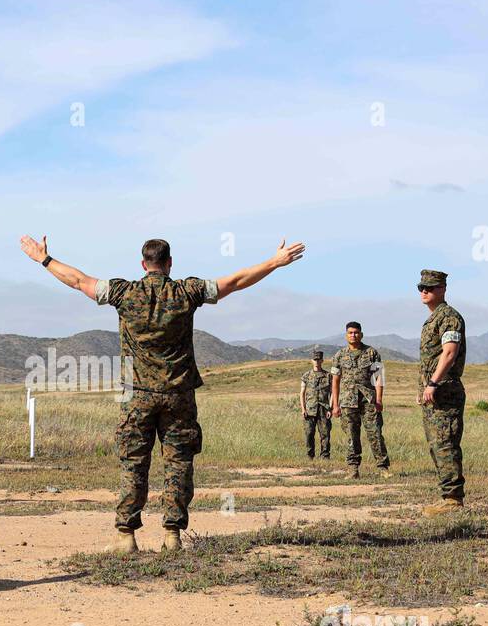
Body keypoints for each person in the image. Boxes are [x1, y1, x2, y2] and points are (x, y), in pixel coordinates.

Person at [18, 233, 304, 552]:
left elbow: (78, 281)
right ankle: (172, 535)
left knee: (134, 463)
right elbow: (235, 282)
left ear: (144, 264)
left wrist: (44, 259)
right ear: (169, 263)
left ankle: (126, 535)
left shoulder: (124, 292)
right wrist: (274, 262)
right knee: (178, 462)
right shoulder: (187, 291)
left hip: (137, 395)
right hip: (178, 395)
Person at [417, 270, 467, 514]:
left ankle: (454, 500)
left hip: (445, 392)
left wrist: (433, 383)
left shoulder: (449, 317)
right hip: (434, 394)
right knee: (436, 445)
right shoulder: (433, 319)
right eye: (421, 287)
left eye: (430, 287)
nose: (424, 291)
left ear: (443, 289)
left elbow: (449, 353)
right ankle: (447, 495)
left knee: (446, 443)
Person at [329, 321, 391, 479]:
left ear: (361, 334)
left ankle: (383, 468)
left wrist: (379, 399)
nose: (353, 335)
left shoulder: (371, 353)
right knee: (351, 436)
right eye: (350, 332)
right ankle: (353, 469)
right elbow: (335, 381)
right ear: (346, 335)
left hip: (368, 400)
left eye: (356, 332)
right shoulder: (339, 356)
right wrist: (335, 405)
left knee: (375, 434)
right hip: (348, 401)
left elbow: (378, 378)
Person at [299, 350, 332, 459]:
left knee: (325, 434)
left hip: (323, 409)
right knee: (309, 434)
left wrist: (330, 408)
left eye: (318, 359)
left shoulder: (328, 376)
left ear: (322, 360)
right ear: (311, 361)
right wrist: (303, 409)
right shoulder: (306, 376)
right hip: (310, 409)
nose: (317, 361)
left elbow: (332, 393)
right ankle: (310, 456)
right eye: (315, 359)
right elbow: (302, 393)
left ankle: (325, 457)